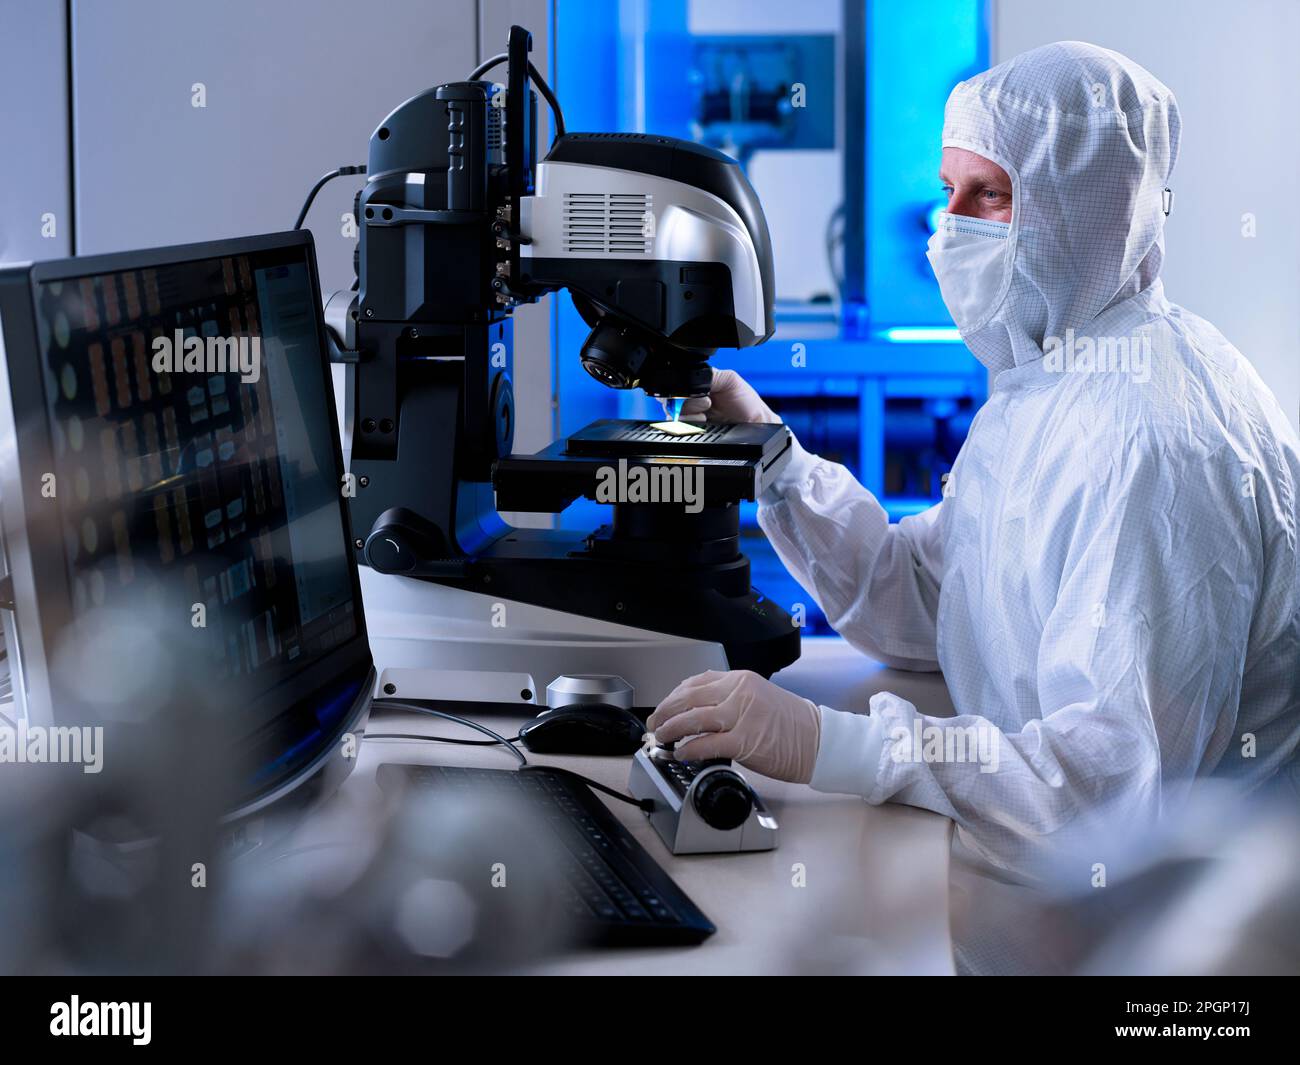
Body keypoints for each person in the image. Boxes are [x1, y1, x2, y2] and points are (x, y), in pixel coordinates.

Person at [648, 41, 1300, 876]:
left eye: (991, 196)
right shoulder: (1050, 379)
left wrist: (837, 745)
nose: (952, 228)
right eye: (948, 194)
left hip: (1185, 932)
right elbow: (934, 596)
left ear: (1092, 209)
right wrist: (773, 457)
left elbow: (1105, 789)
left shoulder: (1152, 438)